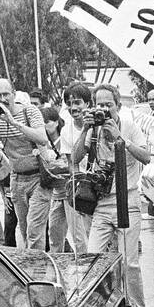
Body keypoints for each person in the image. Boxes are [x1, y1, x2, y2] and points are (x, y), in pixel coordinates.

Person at [73, 82, 153, 307]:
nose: (103, 109)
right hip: (102, 202)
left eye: (108, 105)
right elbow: (75, 158)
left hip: (127, 199)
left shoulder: (129, 125)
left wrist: (121, 140)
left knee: (129, 261)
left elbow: (146, 156)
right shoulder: (93, 128)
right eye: (99, 104)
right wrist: (85, 128)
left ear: (118, 105)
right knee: (94, 258)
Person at [0, 77, 47, 246]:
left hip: (38, 178)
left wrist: (13, 122)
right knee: (25, 230)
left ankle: (36, 269)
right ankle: (34, 265)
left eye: (6, 94)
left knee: (35, 232)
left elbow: (42, 139)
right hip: (17, 179)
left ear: (14, 94)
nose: (3, 99)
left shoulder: (30, 111)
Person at [27, 106, 69, 251]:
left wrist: (50, 161)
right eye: (41, 122)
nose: (44, 125)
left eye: (47, 121)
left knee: (79, 237)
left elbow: (68, 165)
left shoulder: (65, 139)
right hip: (55, 194)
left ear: (57, 122)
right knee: (54, 234)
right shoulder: (40, 143)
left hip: (70, 193)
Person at [60, 82, 94, 251]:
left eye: (77, 102)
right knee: (83, 236)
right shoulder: (66, 131)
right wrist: (80, 191)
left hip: (104, 186)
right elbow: (71, 163)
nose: (73, 107)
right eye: (69, 103)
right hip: (84, 187)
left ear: (87, 103)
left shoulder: (99, 124)